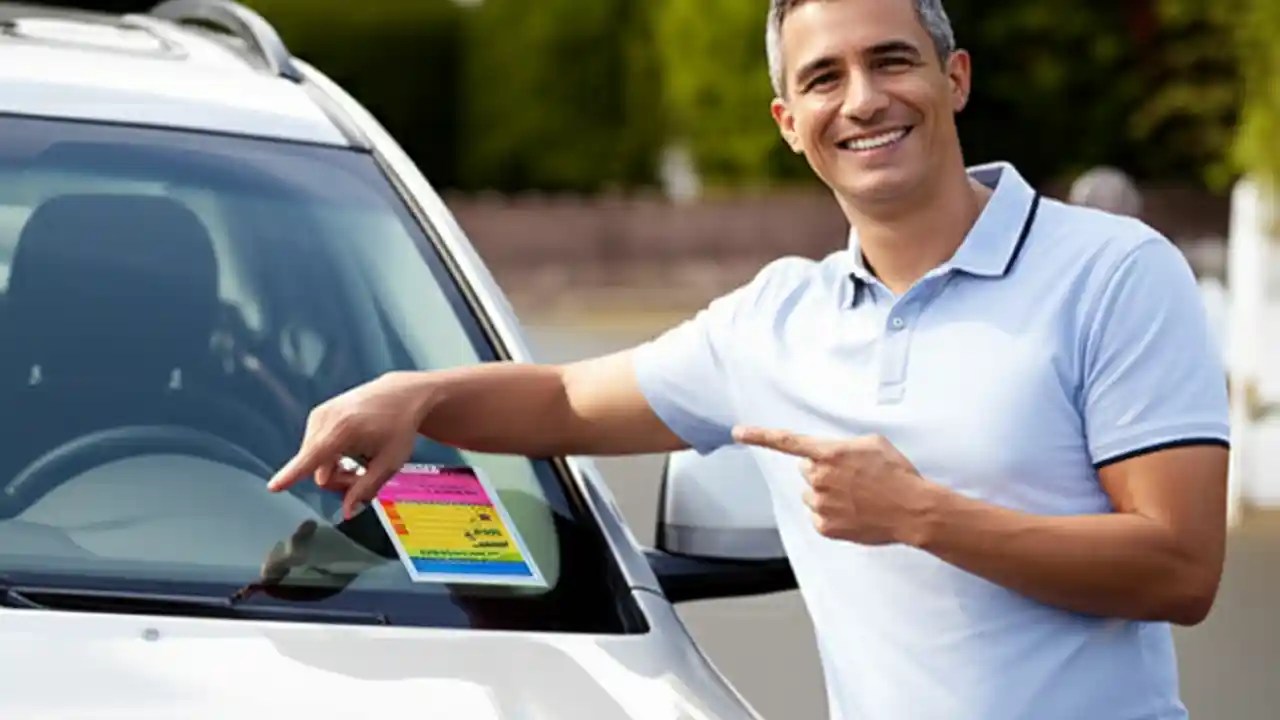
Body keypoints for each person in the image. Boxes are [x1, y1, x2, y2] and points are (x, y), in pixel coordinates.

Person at [267, 1, 1230, 718]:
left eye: (892, 61)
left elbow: (1182, 568)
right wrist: (416, 393)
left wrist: (920, 514)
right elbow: (565, 398)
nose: (863, 100)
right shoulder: (777, 318)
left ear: (955, 79)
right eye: (823, 78)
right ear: (787, 121)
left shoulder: (1111, 271)